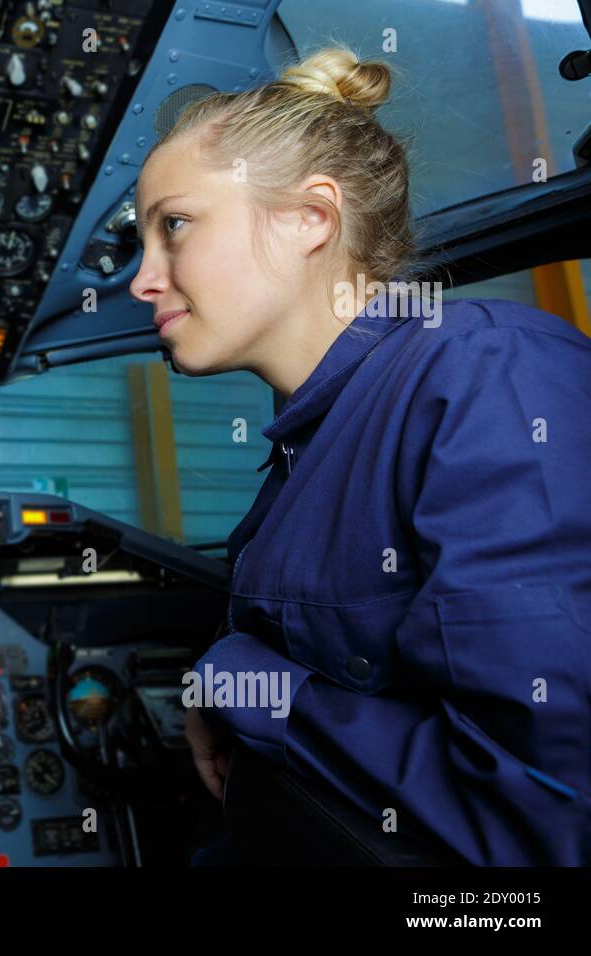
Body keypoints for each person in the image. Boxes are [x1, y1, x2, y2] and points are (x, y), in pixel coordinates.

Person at [128, 46, 591, 865]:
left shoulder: (489, 376)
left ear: (311, 219)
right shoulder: (307, 449)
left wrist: (238, 681)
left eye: (174, 227)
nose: (141, 279)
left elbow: (536, 815)